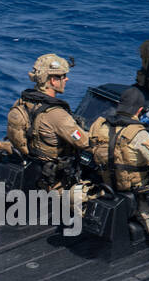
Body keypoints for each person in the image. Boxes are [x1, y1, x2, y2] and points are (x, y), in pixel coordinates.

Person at [86, 87, 149, 258]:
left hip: (107, 192)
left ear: (119, 105)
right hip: (141, 202)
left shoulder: (98, 125)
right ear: (140, 110)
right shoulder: (139, 136)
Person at [6, 53, 88, 192]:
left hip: (30, 165)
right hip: (52, 179)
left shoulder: (22, 102)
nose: (66, 79)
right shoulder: (57, 115)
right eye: (63, 76)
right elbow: (84, 142)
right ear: (53, 81)